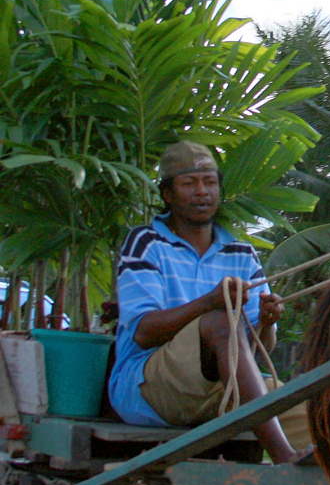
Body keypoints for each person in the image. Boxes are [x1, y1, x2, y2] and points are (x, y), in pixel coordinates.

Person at [108, 141, 310, 464]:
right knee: (219, 323)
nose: (202, 191)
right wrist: (209, 303)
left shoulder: (241, 254)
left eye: (210, 182)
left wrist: (266, 323)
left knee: (316, 415)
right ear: (167, 195)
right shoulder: (146, 243)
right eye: (189, 183)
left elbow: (257, 351)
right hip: (150, 387)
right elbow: (143, 333)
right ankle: (282, 455)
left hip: (222, 390)